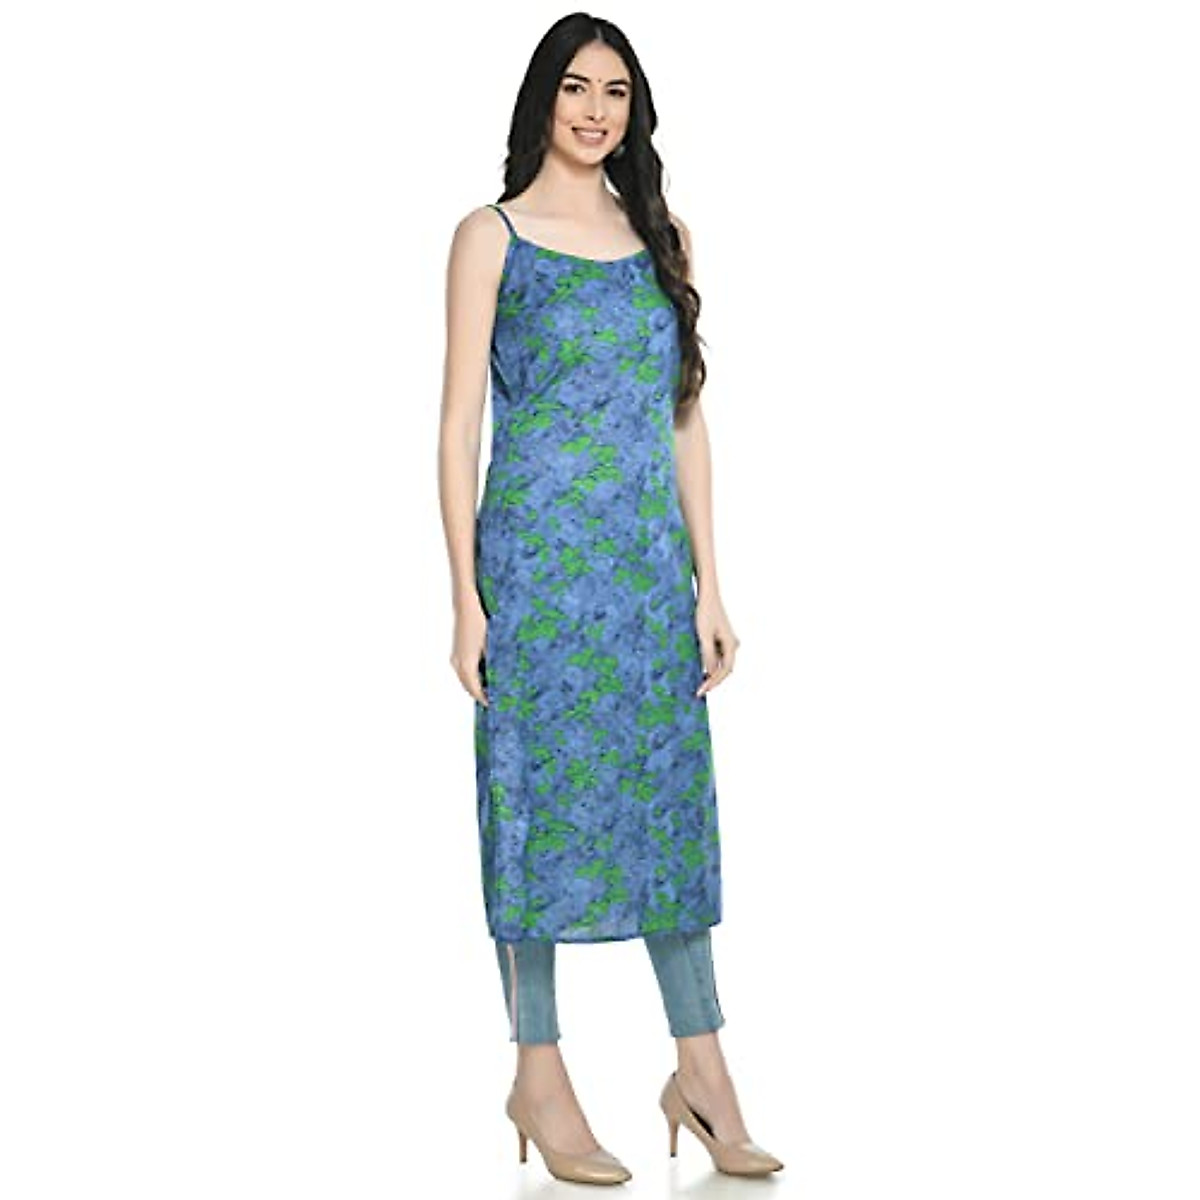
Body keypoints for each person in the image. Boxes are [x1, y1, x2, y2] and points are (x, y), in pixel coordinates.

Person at [437, 13, 783, 1185]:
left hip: (644, 573)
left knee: (668, 807)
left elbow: (685, 416)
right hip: (535, 569)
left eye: (616, 92)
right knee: (531, 807)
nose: (595, 111)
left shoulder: (663, 237)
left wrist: (710, 582)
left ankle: (703, 1072)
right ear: (543, 98)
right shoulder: (489, 237)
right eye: (576, 88)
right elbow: (457, 424)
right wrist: (465, 598)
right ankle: (538, 1077)